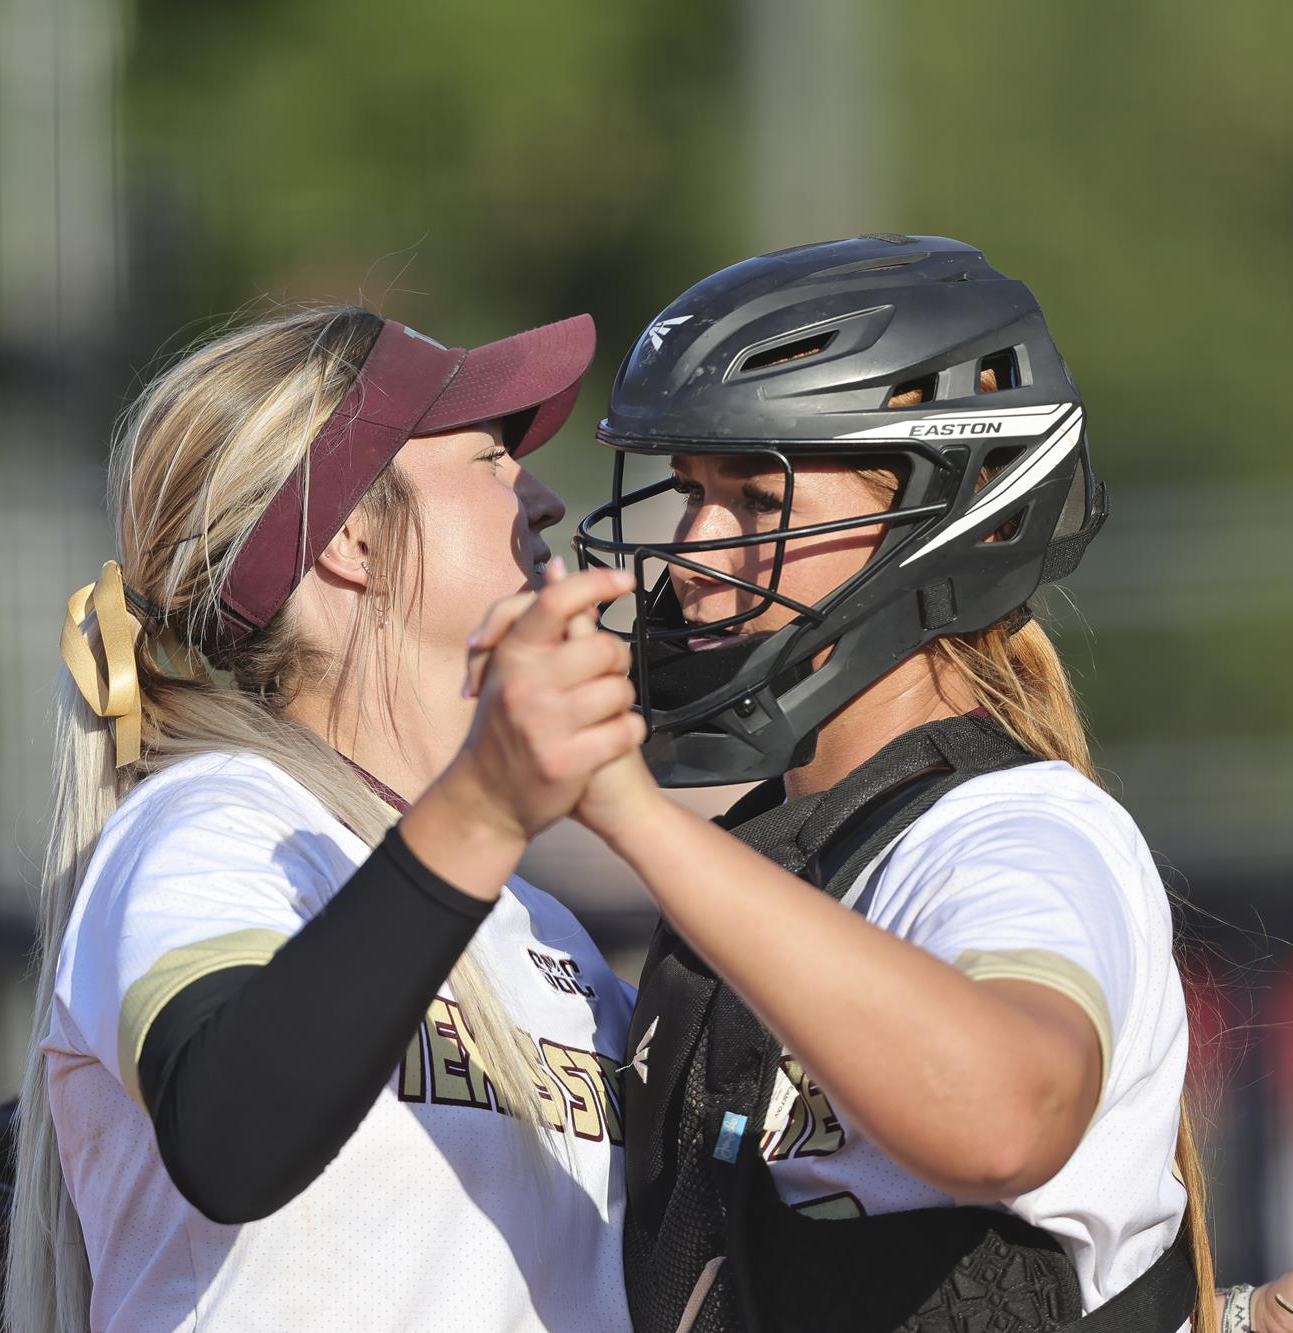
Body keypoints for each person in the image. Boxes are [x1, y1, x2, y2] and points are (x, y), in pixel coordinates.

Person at [503, 233, 1213, 1333]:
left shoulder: (1014, 832)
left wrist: (630, 813)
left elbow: (1007, 1117)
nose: (691, 557)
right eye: (690, 493)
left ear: (937, 514)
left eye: (753, 501)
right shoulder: (789, 846)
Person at [4, 305, 652, 1333]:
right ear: (351, 535)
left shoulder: (544, 926)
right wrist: (482, 806)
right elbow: (230, 1136)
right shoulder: (210, 822)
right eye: (489, 457)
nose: (541, 493)